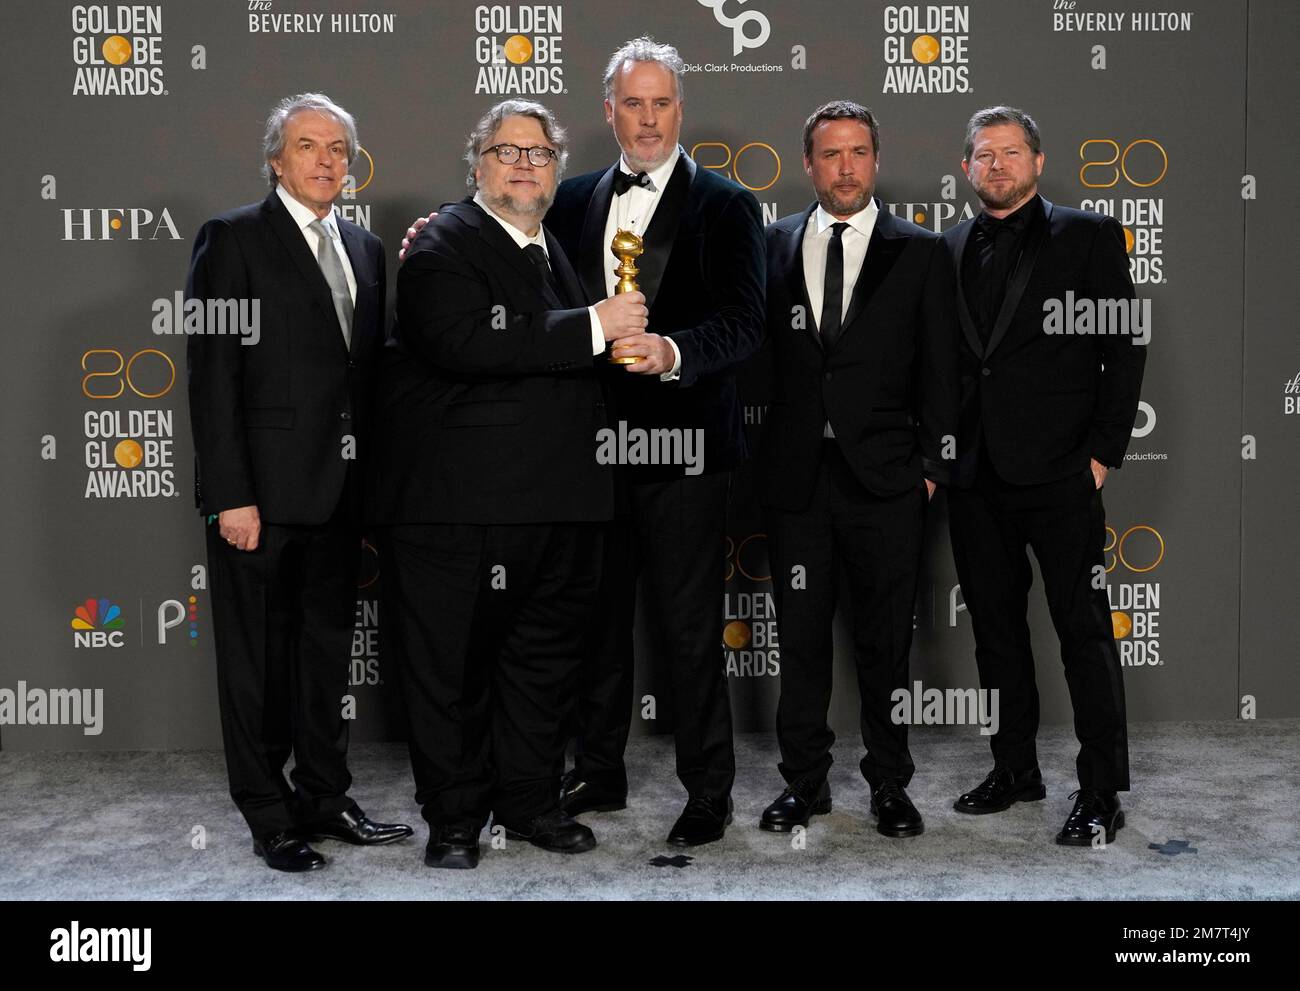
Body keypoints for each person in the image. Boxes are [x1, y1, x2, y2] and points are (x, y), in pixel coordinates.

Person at [370, 99, 649, 869]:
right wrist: (595, 325)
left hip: (556, 503)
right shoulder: (442, 242)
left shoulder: (550, 248)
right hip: (458, 510)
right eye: (508, 151)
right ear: (477, 165)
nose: (526, 164)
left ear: (557, 170)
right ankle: (455, 819)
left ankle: (528, 801)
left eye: (540, 153)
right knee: (451, 669)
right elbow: (463, 341)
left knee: (541, 662)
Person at [547, 37, 766, 846]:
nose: (647, 119)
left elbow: (745, 323)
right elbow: (512, 262)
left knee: (688, 627)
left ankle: (709, 790)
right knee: (596, 625)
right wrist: (436, 230)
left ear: (681, 110)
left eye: (661, 103)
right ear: (609, 111)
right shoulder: (568, 199)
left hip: (685, 451)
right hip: (590, 450)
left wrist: (673, 352)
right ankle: (598, 768)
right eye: (633, 103)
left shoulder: (727, 204)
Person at [186, 92, 412, 872]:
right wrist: (230, 493)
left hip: (341, 493)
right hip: (259, 497)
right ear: (276, 160)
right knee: (255, 664)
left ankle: (324, 795)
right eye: (309, 146)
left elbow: (365, 373)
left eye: (338, 148)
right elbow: (212, 376)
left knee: (324, 656)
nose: (326, 160)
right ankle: (268, 812)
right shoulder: (232, 238)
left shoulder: (367, 248)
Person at [940, 106, 1146, 845]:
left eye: (1009, 151)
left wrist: (1102, 454)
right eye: (983, 154)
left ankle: (1100, 791)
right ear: (966, 167)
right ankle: (1014, 769)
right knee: (996, 636)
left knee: (1083, 633)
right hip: (975, 477)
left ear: (1037, 160)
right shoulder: (949, 245)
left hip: (1061, 473)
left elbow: (1124, 346)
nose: (996, 164)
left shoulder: (1087, 236)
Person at [755, 101, 958, 839]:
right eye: (831, 154)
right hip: (796, 481)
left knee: (885, 641)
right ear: (808, 164)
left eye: (859, 153)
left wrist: (930, 467)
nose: (846, 168)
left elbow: (944, 369)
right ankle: (803, 784)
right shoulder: (769, 245)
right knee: (801, 640)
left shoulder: (921, 251)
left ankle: (890, 783)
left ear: (876, 160)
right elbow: (753, 358)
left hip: (887, 481)